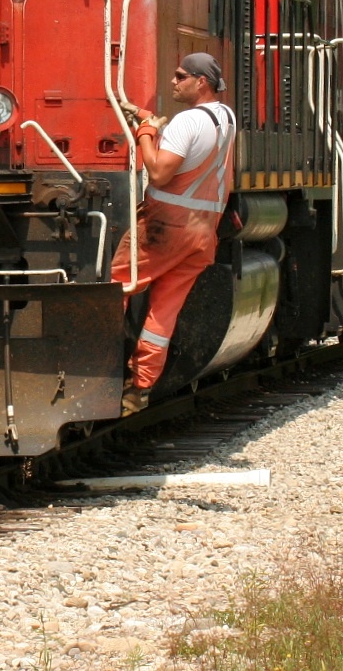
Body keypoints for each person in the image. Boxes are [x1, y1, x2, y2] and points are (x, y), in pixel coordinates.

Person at [111, 51, 237, 414]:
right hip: (203, 233)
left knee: (116, 285)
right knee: (163, 311)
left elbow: (161, 172)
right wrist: (154, 124)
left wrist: (146, 132)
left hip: (167, 226)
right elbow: (195, 159)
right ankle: (140, 388)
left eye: (181, 76)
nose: (173, 81)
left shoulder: (187, 121)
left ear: (201, 82)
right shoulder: (224, 117)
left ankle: (93, 365)